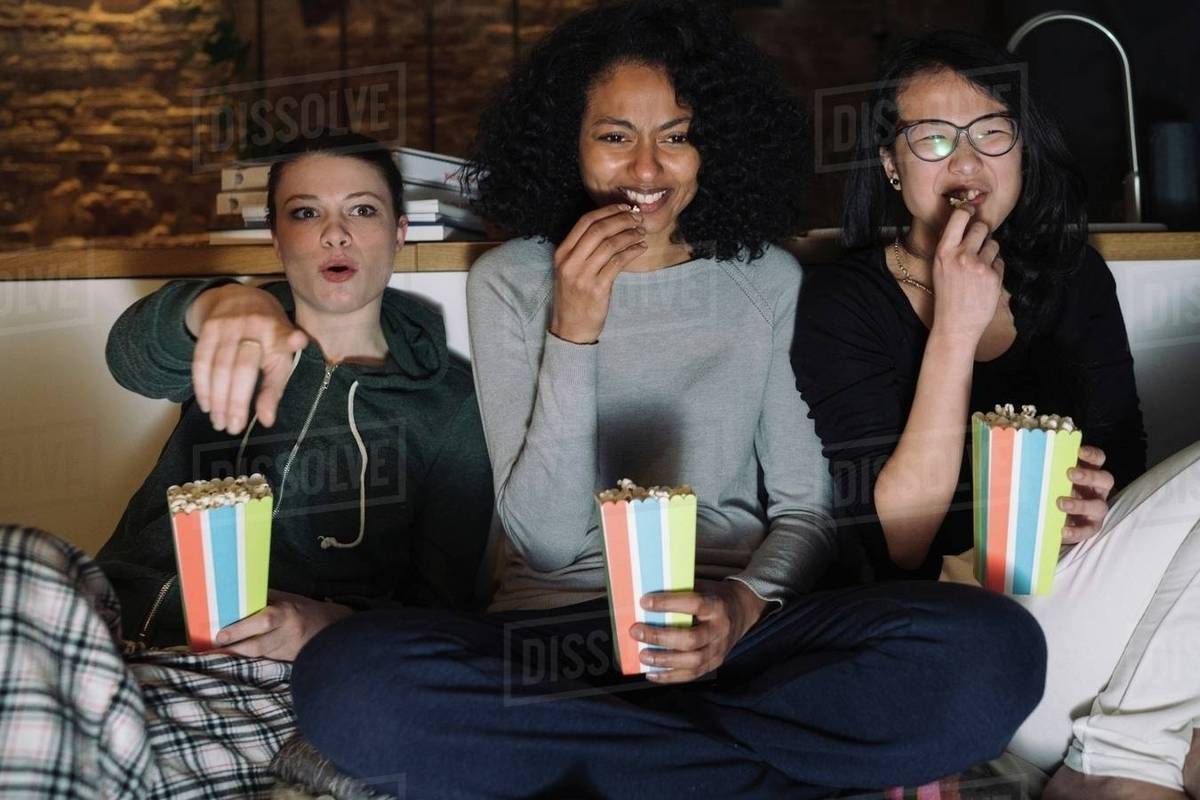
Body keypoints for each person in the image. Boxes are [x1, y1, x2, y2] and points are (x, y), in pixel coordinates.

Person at [291, 5, 1047, 798]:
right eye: (615, 136)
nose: (646, 170)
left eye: (676, 136)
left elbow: (806, 510)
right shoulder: (511, 282)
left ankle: (619, 768)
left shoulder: (763, 282)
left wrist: (743, 602)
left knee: (995, 650)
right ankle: (762, 774)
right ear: (569, 143)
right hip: (559, 643)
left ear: (710, 147)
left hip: (740, 640)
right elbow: (547, 543)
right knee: (347, 679)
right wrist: (574, 328)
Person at [0, 129, 496, 798]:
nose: (335, 234)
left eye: (362, 209)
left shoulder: (453, 405)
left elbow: (446, 617)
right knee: (19, 556)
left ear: (401, 230)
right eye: (305, 212)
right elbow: (132, 357)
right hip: (103, 630)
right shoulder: (231, 340)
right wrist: (217, 304)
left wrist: (324, 625)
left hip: (257, 681)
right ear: (275, 236)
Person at [792, 30, 1200, 800]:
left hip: (1089, 609)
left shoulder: (1072, 277)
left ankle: (1130, 751)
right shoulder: (845, 304)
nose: (968, 163)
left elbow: (1128, 460)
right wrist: (954, 322)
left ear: (1022, 151)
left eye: (991, 133)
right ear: (889, 163)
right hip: (975, 653)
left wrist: (1094, 499)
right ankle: (1136, 751)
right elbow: (904, 542)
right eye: (933, 138)